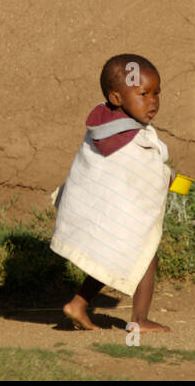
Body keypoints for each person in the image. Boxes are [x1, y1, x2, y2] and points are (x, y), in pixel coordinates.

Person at [51, 54, 172, 331]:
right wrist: (163, 178)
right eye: (143, 93)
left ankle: (78, 304)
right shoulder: (132, 138)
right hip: (125, 214)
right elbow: (139, 175)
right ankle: (139, 319)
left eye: (157, 93)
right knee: (145, 252)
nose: (152, 101)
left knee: (111, 255)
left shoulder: (103, 127)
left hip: (107, 213)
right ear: (117, 98)